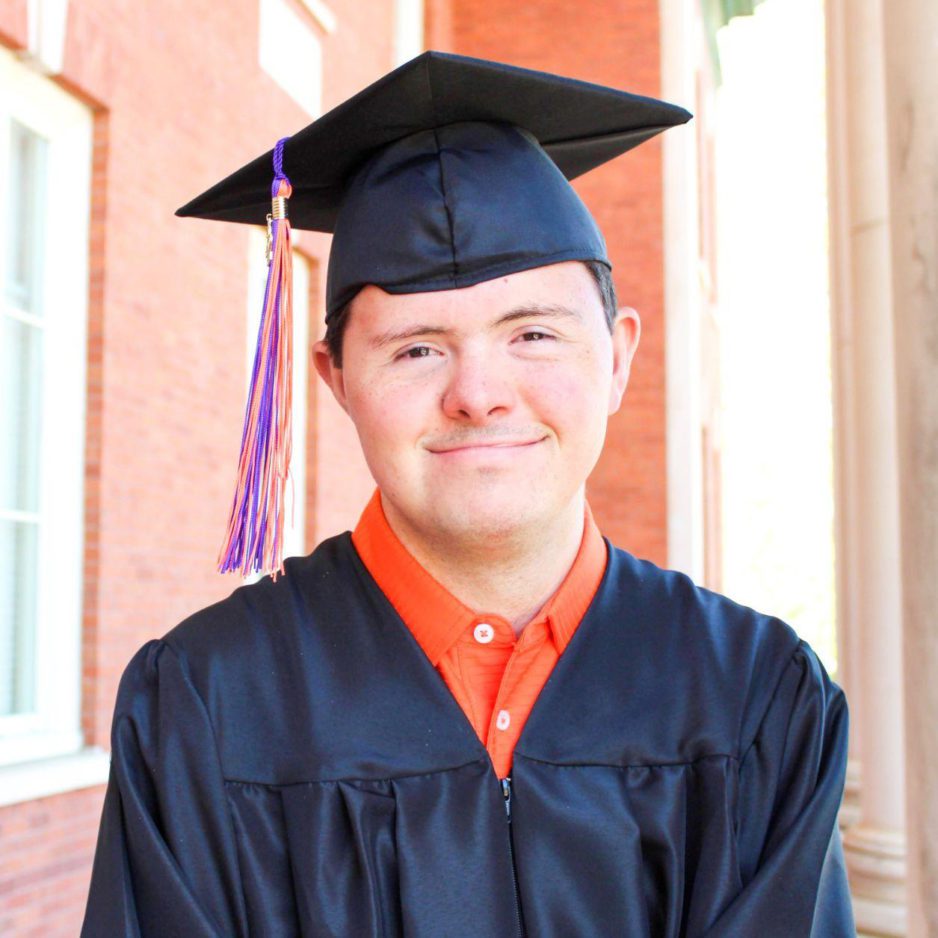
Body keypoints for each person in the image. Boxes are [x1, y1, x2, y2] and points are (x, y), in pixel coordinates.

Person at [80, 50, 855, 937]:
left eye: (532, 332)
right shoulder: (205, 709)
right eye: (416, 348)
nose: (478, 393)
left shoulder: (754, 698)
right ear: (335, 379)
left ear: (619, 356)